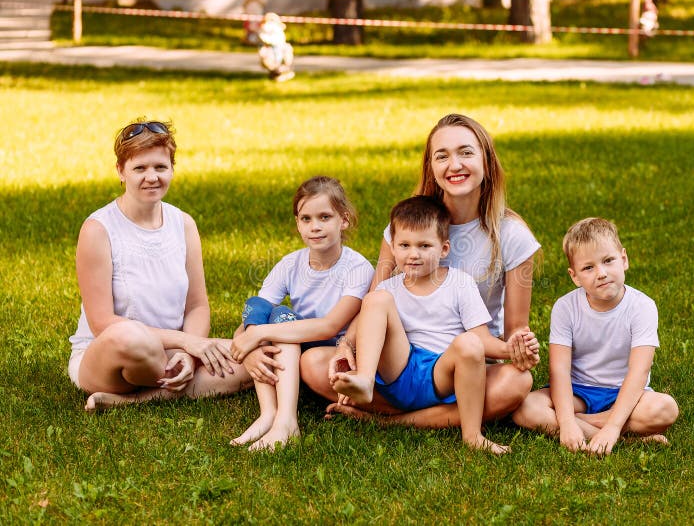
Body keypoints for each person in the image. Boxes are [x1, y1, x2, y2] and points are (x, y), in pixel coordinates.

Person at [302, 113, 542, 427]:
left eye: (466, 152)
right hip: (394, 359)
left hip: (459, 365)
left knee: (517, 382)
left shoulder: (511, 235)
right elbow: (377, 296)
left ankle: (394, 419)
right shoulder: (408, 225)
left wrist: (519, 351)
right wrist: (347, 346)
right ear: (431, 166)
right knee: (313, 363)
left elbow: (514, 331)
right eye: (442, 156)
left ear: (487, 160)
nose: (454, 165)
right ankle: (435, 414)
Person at [69, 119, 256, 412]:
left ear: (172, 169)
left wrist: (188, 353)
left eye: (160, 167)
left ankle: (134, 401)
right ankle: (183, 381)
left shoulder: (183, 223)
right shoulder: (98, 229)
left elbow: (197, 306)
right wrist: (189, 344)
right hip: (111, 357)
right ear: (120, 171)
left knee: (258, 355)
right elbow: (102, 322)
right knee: (129, 336)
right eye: (139, 168)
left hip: (172, 352)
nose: (151, 177)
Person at [331, 196, 538, 454]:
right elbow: (370, 332)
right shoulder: (388, 289)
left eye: (424, 245)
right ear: (392, 248)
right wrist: (349, 353)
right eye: (404, 245)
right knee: (375, 299)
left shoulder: (460, 283)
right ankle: (364, 381)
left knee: (474, 346)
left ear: (444, 249)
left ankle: (472, 435)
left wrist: (514, 351)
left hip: (443, 375)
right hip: (400, 370)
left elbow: (481, 339)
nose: (413, 254)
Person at [228, 176, 373, 451]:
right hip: (297, 342)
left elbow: (330, 326)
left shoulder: (357, 268)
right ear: (297, 223)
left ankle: (287, 420)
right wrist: (250, 347)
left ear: (344, 220)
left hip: (334, 349)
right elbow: (253, 315)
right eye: (306, 219)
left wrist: (259, 334)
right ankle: (268, 413)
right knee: (260, 306)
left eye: (324, 217)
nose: (315, 227)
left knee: (280, 319)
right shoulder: (290, 264)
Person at [512, 218, 679, 455]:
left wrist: (611, 425)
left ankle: (602, 430)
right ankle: (625, 440)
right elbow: (559, 370)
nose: (601, 273)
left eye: (608, 261)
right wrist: (567, 423)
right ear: (574, 276)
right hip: (578, 391)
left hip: (625, 393)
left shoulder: (642, 306)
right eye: (588, 268)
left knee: (665, 409)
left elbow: (639, 371)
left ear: (624, 259)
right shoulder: (565, 307)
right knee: (526, 408)